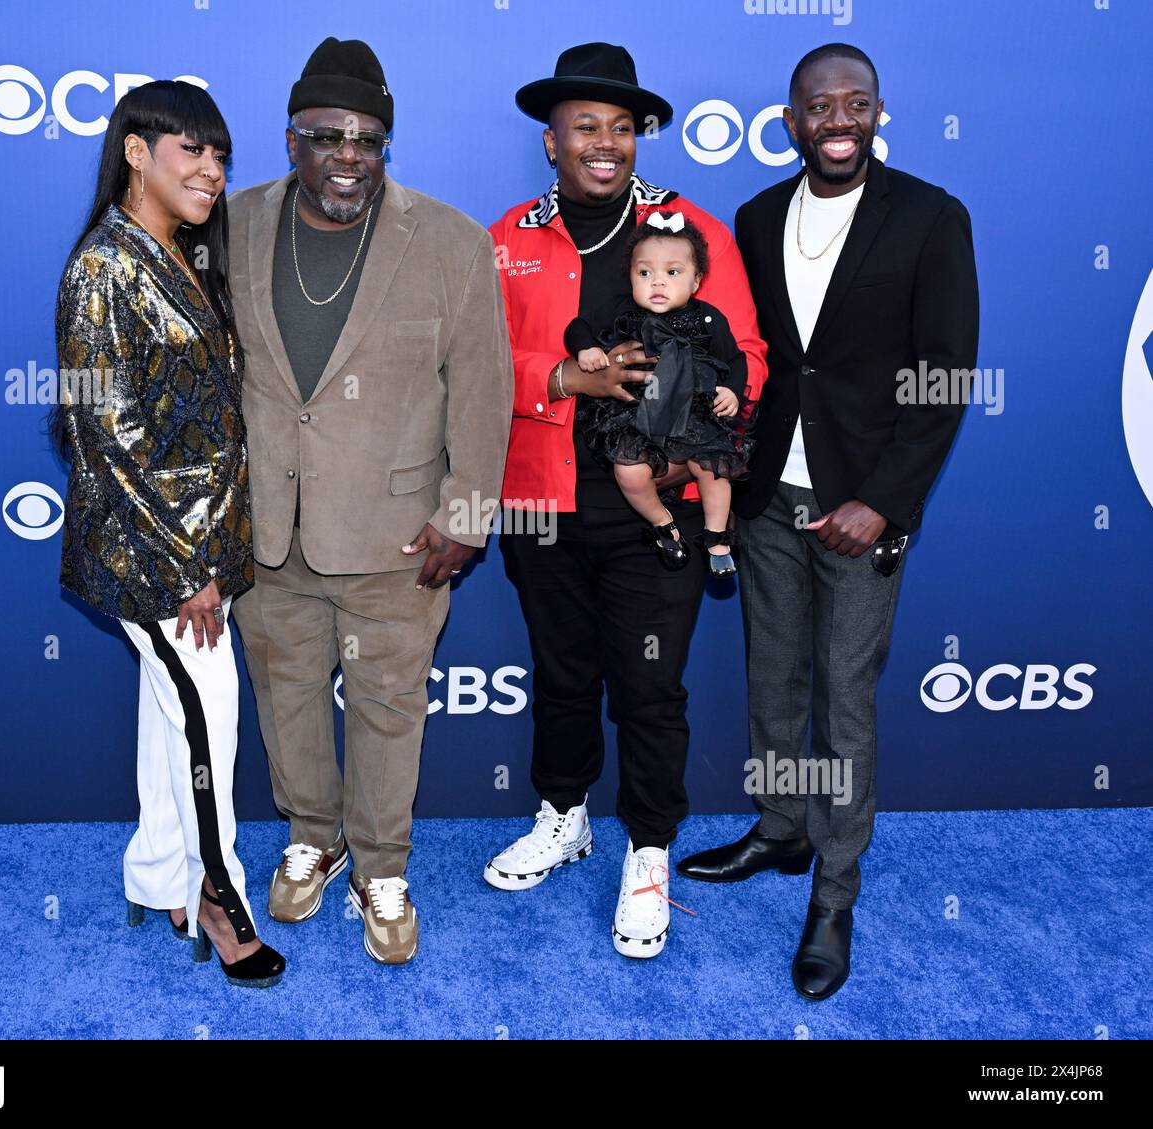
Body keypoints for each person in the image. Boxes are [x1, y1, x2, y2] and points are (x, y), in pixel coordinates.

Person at [677, 44, 979, 1001]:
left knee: (843, 703)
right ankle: (781, 828)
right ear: (792, 118)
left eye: (855, 103)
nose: (837, 118)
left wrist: (883, 499)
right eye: (819, 105)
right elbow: (753, 359)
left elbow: (944, 379)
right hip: (768, 498)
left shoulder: (932, 217)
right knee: (775, 680)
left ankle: (835, 893)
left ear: (878, 112)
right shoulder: (758, 219)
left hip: (860, 506)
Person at [227, 38, 512, 965]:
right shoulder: (228, 226)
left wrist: (467, 517)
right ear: (291, 140)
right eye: (328, 136)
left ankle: (381, 866)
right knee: (288, 698)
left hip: (400, 536)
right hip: (268, 528)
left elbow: (482, 389)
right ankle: (314, 833)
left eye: (369, 139)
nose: (349, 154)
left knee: (391, 708)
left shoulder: (449, 240)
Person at [482, 42, 767, 960]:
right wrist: (560, 375)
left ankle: (649, 851)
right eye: (584, 127)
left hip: (660, 507)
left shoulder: (695, 230)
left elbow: (748, 359)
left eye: (620, 127)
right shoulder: (507, 238)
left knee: (648, 686)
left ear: (637, 137)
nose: (605, 143)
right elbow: (472, 367)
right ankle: (563, 814)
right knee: (561, 673)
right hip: (542, 500)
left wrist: (688, 422)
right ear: (551, 140)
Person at [53, 80, 284, 988]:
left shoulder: (176, 252)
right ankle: (222, 901)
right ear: (136, 152)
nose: (213, 169)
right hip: (155, 557)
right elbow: (98, 435)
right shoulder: (103, 267)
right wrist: (187, 564)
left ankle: (157, 877)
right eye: (193, 149)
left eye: (221, 154)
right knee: (203, 721)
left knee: (169, 713)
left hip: (200, 548)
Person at [566, 212, 752, 576]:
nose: (657, 283)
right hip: (635, 416)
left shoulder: (709, 319)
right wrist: (585, 348)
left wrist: (731, 389)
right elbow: (578, 326)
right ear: (631, 276)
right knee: (629, 471)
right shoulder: (621, 312)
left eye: (672, 272)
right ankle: (662, 523)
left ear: (696, 281)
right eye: (645, 273)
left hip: (693, 415)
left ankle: (716, 536)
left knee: (712, 469)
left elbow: (735, 358)